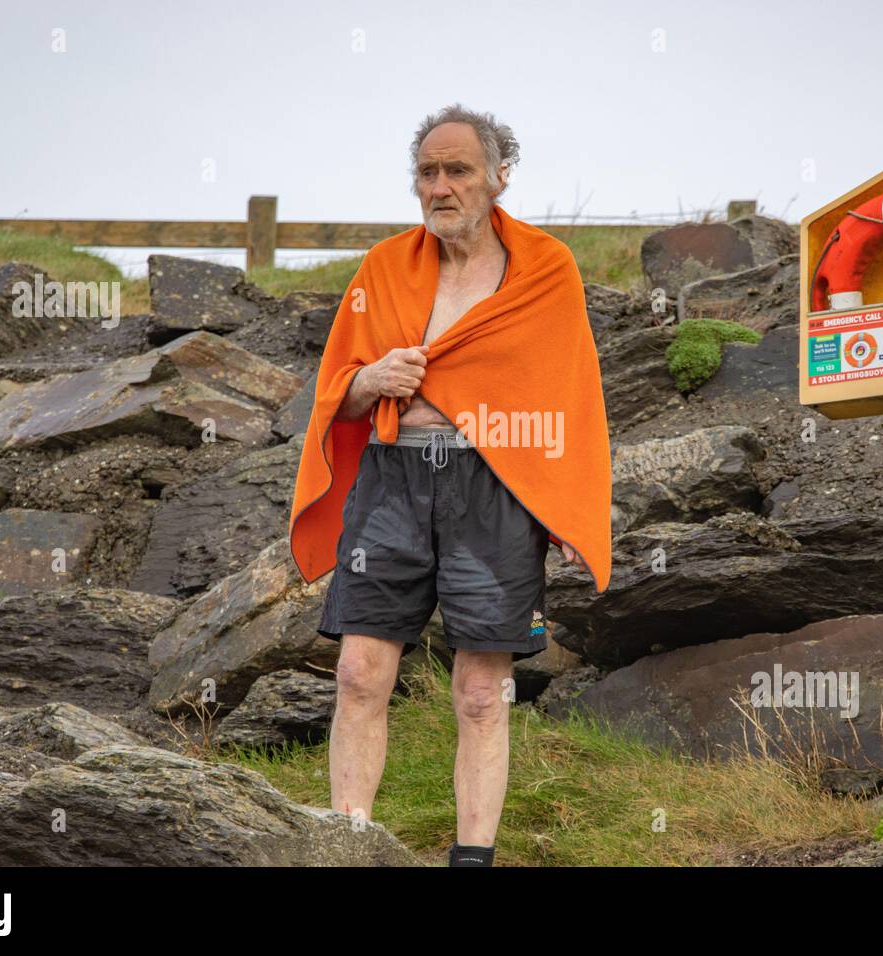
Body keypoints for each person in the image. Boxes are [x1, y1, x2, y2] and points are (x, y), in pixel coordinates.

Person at [298, 104, 602, 867]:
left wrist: (565, 507)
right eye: (427, 172)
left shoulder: (547, 268)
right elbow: (340, 388)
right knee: (360, 672)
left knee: (478, 690)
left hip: (495, 482)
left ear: (499, 176)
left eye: (457, 169)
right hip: (394, 478)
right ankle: (350, 847)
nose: (440, 185)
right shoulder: (382, 269)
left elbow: (569, 392)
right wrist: (369, 378)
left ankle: (471, 860)